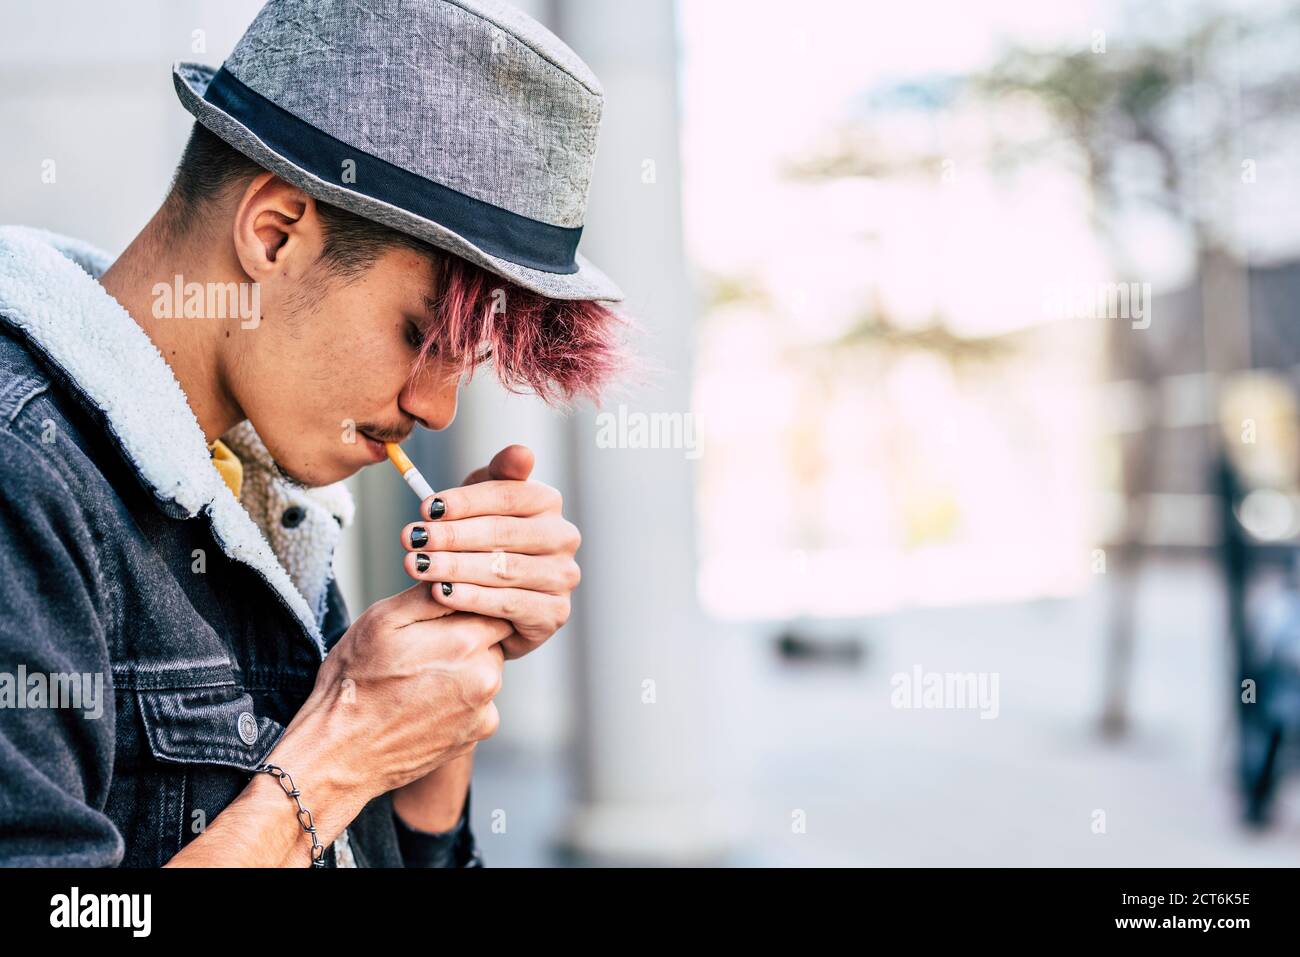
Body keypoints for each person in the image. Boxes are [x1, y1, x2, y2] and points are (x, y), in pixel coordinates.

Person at [0, 0, 627, 867]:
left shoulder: (264, 498)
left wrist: (433, 717)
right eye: (421, 335)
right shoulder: (22, 473)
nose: (438, 408)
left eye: (466, 359)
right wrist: (340, 754)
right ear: (274, 230)